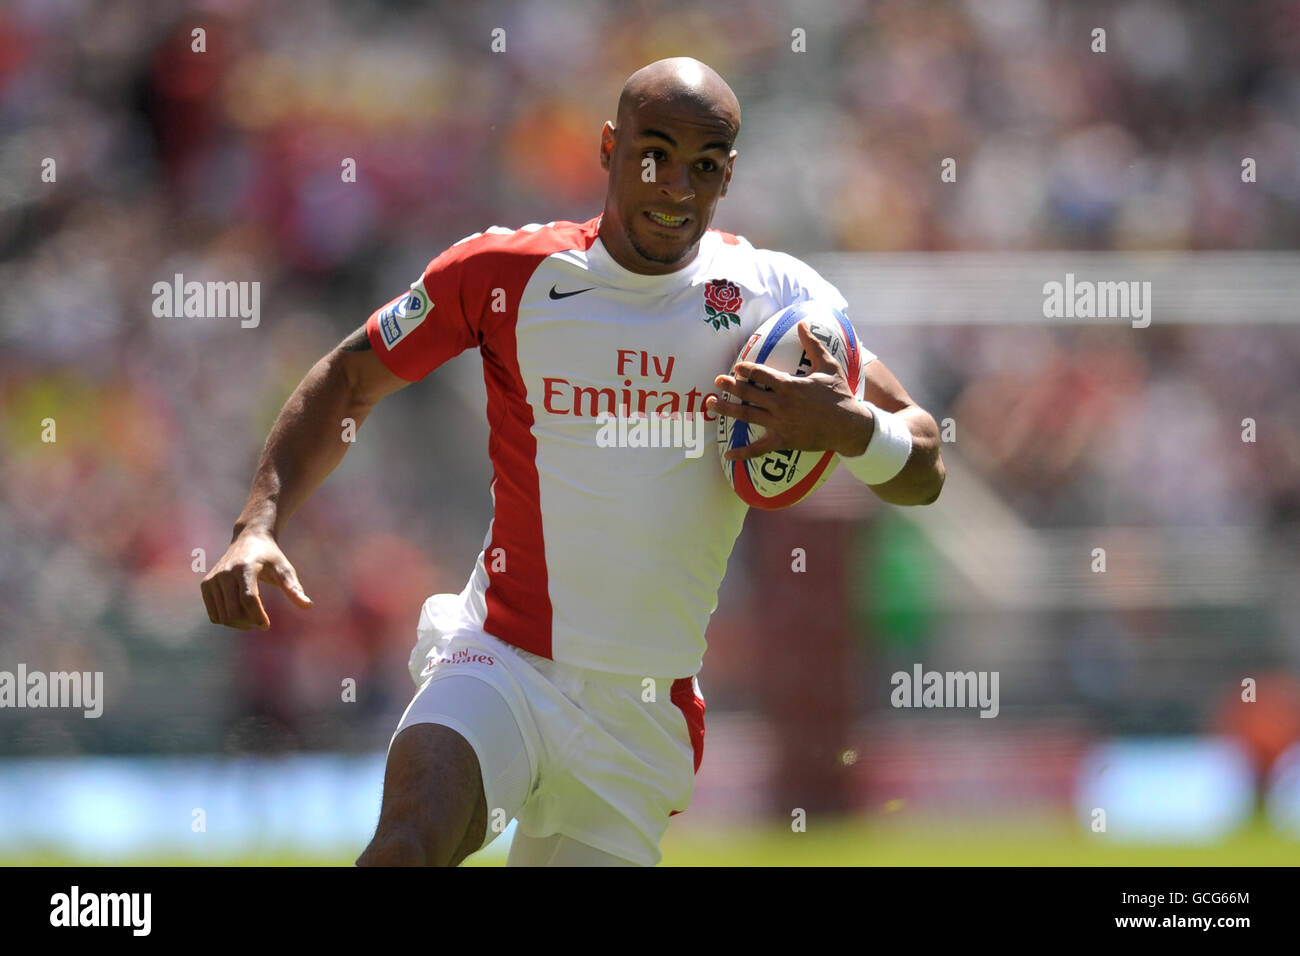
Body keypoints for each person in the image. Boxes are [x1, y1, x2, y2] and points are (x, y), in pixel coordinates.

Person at [200, 57, 945, 867]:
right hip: (501, 661)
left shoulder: (777, 303)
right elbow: (351, 375)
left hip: (640, 712)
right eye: (655, 154)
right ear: (608, 147)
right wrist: (258, 523)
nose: (676, 187)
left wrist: (852, 429)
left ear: (728, 176)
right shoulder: (505, 275)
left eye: (705, 167)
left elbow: (925, 462)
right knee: (405, 847)